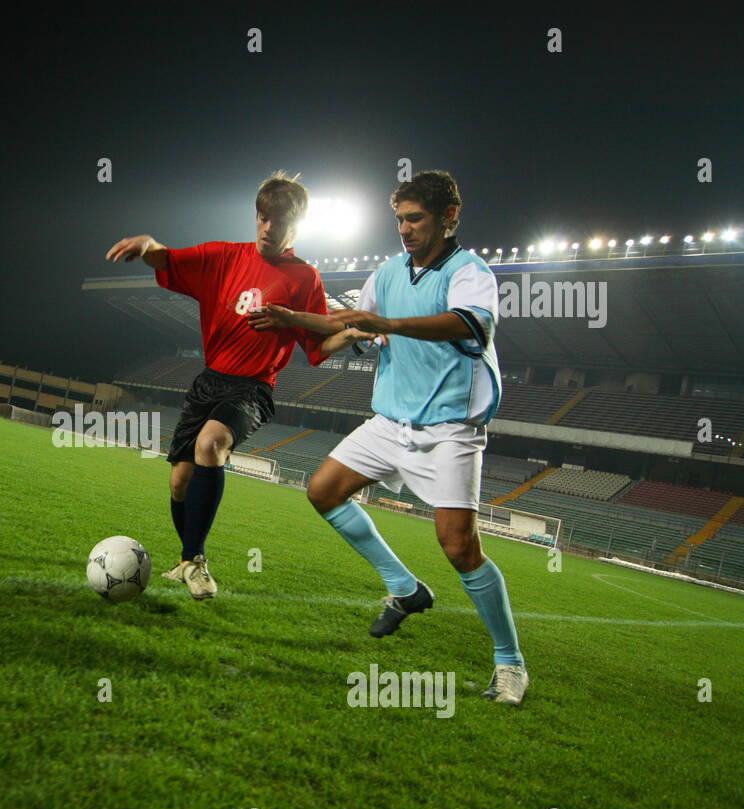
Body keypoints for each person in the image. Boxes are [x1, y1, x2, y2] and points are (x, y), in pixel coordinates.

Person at [247, 170, 529, 705]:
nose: (404, 228)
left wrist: (387, 323)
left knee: (459, 547)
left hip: (449, 429)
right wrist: (293, 316)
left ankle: (510, 664)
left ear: (448, 217)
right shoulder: (386, 272)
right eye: (399, 218)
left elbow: (469, 326)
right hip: (389, 422)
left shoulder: (471, 272)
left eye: (415, 218)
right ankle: (404, 588)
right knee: (323, 490)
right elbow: (348, 324)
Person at [106, 171, 373, 600]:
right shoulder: (223, 256)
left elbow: (320, 345)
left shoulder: (305, 279)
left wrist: (354, 334)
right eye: (262, 217)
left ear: (297, 226)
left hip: (252, 388)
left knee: (211, 445)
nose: (268, 228)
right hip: (208, 380)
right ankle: (189, 560)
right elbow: (169, 260)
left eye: (279, 221)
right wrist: (149, 246)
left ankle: (193, 561)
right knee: (179, 483)